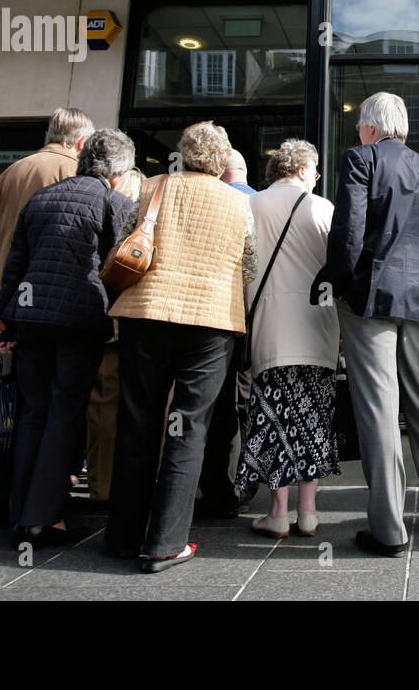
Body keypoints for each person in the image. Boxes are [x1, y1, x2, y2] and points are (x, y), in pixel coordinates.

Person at [311, 92, 419, 557]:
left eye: (360, 126)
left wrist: (334, 281)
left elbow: (349, 232)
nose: (359, 133)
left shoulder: (360, 159)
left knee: (379, 407)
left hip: (371, 299)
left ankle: (389, 529)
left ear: (370, 128)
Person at [105, 122, 257, 572]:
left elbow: (125, 244)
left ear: (183, 153)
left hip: (146, 314)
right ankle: (165, 542)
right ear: (222, 158)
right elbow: (247, 265)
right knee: (189, 426)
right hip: (210, 323)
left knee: (137, 422)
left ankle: (122, 537)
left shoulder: (153, 186)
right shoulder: (238, 202)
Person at [0, 129, 135, 546]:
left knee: (33, 412)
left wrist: (6, 324)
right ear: (118, 169)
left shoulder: (43, 198)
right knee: (65, 412)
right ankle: (46, 517)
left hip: (31, 317)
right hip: (80, 319)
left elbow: (15, 264)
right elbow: (120, 263)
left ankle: (21, 512)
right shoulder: (114, 202)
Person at [0, 106, 93, 526]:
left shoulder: (12, 172)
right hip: (58, 310)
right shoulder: (78, 174)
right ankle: (47, 506)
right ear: (81, 142)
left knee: (21, 407)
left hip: (11, 309)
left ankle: (3, 497)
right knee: (59, 408)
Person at [238, 140, 341, 537]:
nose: (317, 178)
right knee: (314, 418)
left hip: (269, 329)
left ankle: (277, 512)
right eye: (315, 170)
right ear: (300, 170)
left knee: (272, 414)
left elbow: (242, 265)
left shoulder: (251, 206)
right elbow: (340, 265)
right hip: (317, 328)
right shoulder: (323, 208)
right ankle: (309, 511)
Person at [83, 167, 145, 505]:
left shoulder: (102, 209)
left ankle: (103, 485)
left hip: (106, 324)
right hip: (130, 324)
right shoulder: (131, 217)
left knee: (103, 406)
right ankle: (130, 484)